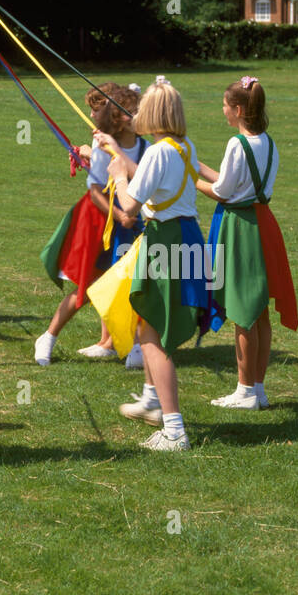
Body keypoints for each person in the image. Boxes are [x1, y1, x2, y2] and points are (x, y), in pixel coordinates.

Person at [106, 77, 208, 452]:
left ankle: (174, 428)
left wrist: (117, 176)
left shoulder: (157, 152)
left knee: (153, 336)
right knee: (150, 320)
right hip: (186, 236)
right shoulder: (184, 146)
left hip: (165, 239)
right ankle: (152, 399)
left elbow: (130, 207)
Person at [196, 76, 298, 411]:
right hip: (264, 224)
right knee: (260, 312)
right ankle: (258, 387)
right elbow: (237, 182)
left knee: (243, 310)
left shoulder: (236, 144)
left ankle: (244, 391)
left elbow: (224, 191)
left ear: (238, 109)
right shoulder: (268, 142)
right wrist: (195, 165)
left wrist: (190, 179)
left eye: (225, 105)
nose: (223, 111)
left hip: (240, 228)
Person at [36, 84, 146, 365]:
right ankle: (48, 336)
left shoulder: (147, 147)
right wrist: (120, 215)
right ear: (121, 118)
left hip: (131, 221)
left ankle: (131, 344)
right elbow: (96, 190)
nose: (140, 116)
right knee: (87, 285)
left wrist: (133, 214)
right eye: (134, 112)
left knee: (132, 283)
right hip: (102, 219)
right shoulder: (104, 147)